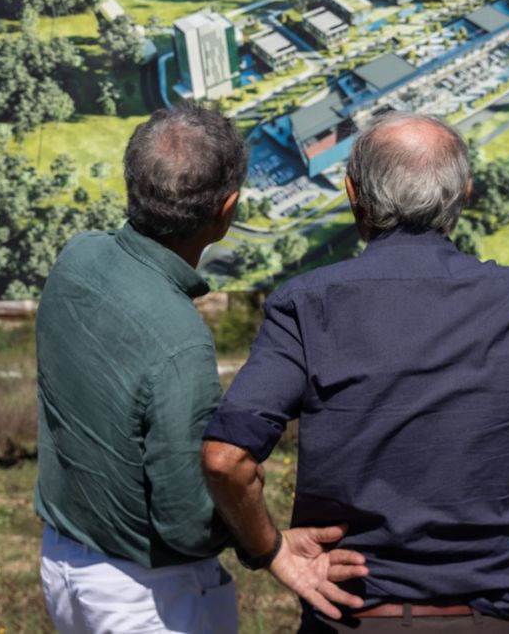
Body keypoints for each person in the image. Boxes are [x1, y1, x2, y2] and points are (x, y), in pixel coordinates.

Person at [201, 111, 509, 632]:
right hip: (488, 618)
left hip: (349, 619)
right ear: (464, 194)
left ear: (354, 195)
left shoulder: (307, 306)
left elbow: (225, 459)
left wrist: (271, 553)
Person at [35, 104, 368, 633]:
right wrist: (269, 543)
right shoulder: (180, 341)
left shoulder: (76, 258)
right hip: (148, 594)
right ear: (227, 210)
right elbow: (187, 521)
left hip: (64, 564)